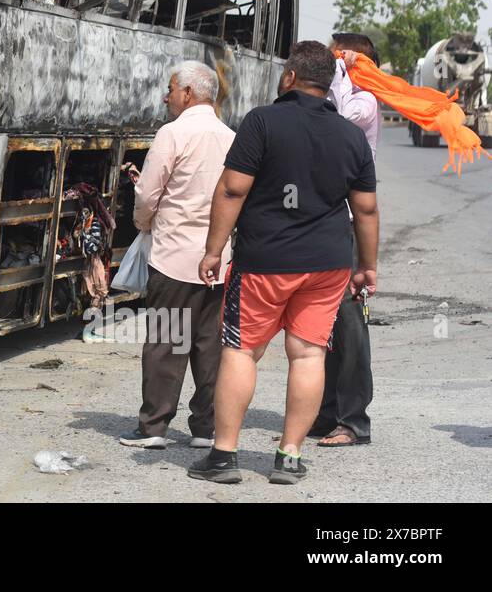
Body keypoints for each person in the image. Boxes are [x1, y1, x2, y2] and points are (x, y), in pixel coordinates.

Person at [188, 41, 379, 485]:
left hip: (264, 262)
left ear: (291, 77)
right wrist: (367, 265)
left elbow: (233, 189)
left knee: (241, 351)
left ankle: (224, 456)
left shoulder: (262, 121)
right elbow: (366, 209)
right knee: (309, 353)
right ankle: (289, 457)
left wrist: (213, 250)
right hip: (329, 264)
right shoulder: (351, 136)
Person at [119, 61, 234, 450]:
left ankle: (154, 427)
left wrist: (143, 224)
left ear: (188, 93)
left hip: (174, 257)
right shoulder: (230, 136)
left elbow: (148, 194)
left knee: (168, 343)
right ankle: (205, 429)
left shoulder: (173, 133)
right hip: (219, 261)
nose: (166, 96)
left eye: (170, 88)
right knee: (211, 346)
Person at [311, 32, 380, 447]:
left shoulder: (365, 102)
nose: (333, 59)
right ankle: (326, 411)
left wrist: (338, 70)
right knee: (325, 323)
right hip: (327, 220)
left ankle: (354, 420)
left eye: (340, 55)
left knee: (351, 324)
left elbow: (334, 114)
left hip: (352, 225)